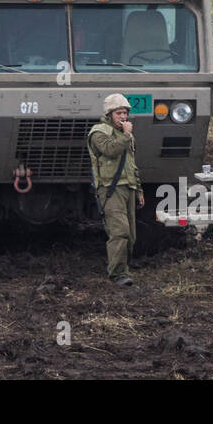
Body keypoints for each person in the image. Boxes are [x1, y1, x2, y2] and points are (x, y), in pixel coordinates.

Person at [88, 93, 144, 286]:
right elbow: (110, 150)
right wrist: (126, 135)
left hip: (128, 188)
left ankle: (123, 268)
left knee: (131, 234)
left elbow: (132, 164)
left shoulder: (126, 136)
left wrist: (139, 190)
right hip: (110, 189)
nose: (123, 117)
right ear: (109, 114)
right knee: (119, 232)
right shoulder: (98, 132)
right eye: (119, 113)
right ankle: (117, 275)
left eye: (125, 113)